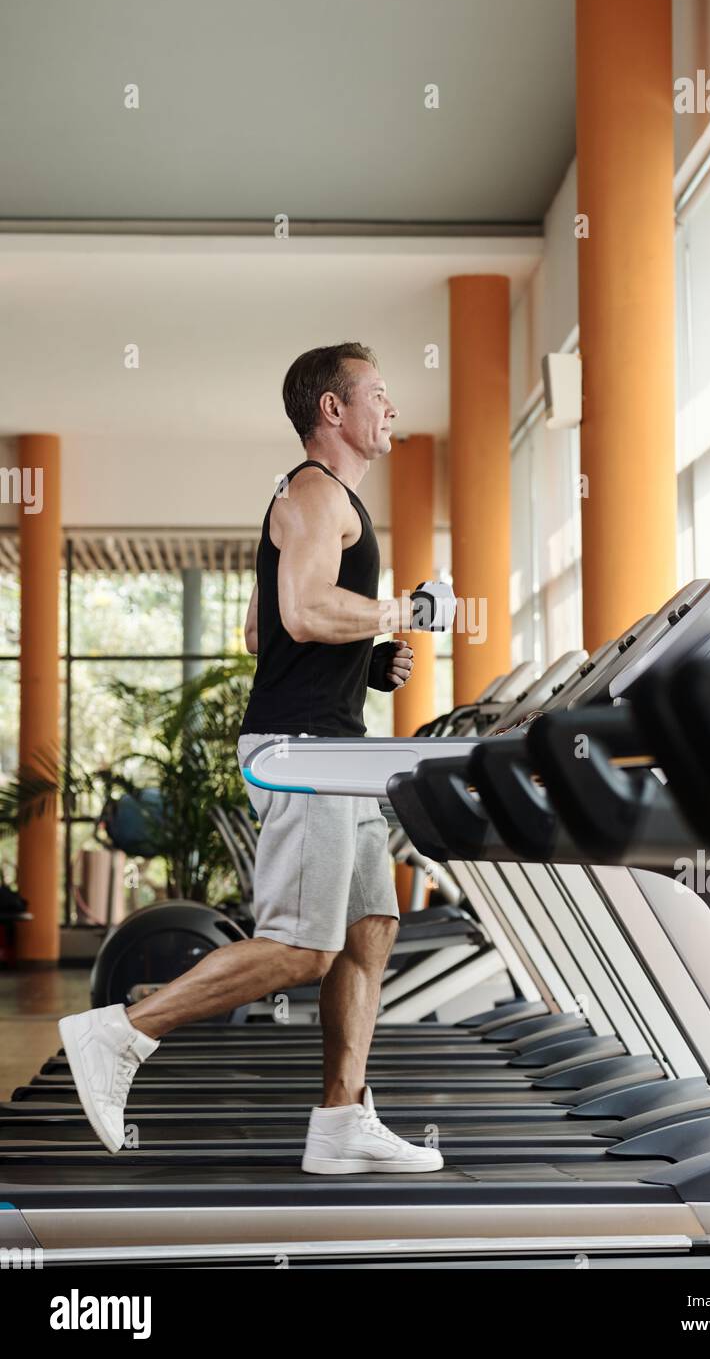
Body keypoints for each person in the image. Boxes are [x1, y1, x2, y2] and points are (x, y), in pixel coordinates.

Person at [59, 342, 456, 1174]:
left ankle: (341, 1121)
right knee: (304, 947)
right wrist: (402, 609)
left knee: (368, 928)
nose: (391, 409)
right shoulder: (316, 492)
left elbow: (260, 630)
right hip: (305, 751)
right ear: (332, 411)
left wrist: (367, 660)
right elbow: (307, 610)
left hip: (336, 748)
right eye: (377, 394)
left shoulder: (313, 500)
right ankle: (118, 1035)